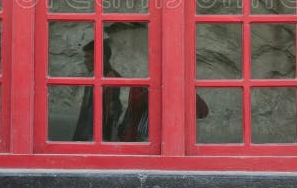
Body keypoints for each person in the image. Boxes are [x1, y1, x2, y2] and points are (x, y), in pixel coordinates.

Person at [73, 39, 208, 143]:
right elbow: (133, 107)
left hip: (170, 140)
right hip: (141, 136)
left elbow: (203, 112)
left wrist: (186, 89)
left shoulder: (183, 90)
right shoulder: (142, 87)